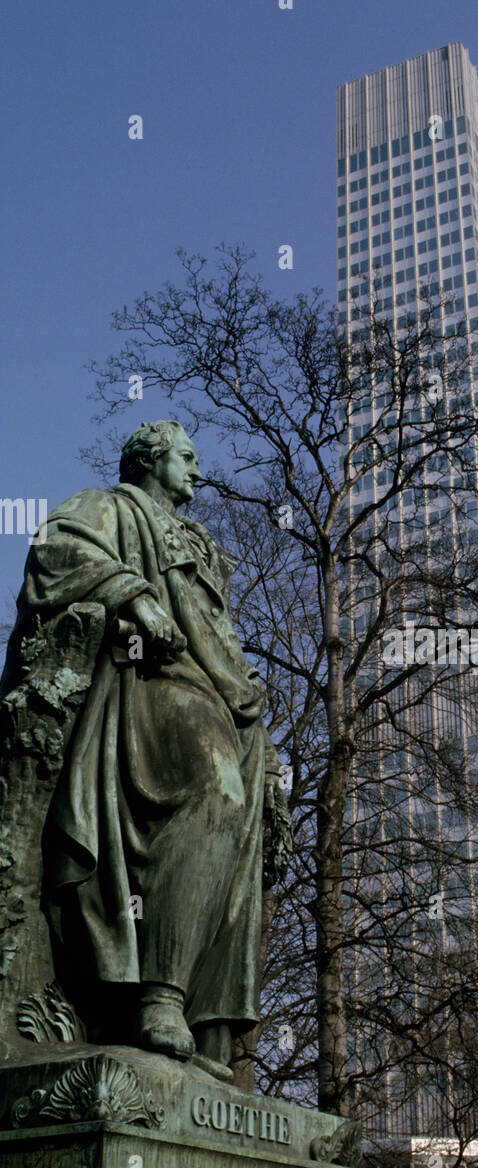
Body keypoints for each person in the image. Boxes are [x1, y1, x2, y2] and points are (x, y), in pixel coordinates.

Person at [0, 421, 290, 1077]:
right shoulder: (109, 506)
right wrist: (130, 594)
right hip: (149, 679)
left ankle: (192, 1016)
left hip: (226, 701)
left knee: (240, 836)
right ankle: (156, 996)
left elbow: (219, 630)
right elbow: (53, 550)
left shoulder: (204, 543)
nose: (196, 470)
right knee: (214, 793)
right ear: (148, 459)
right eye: (186, 458)